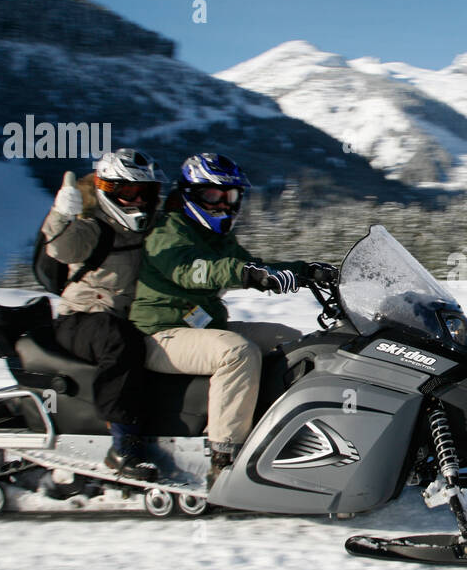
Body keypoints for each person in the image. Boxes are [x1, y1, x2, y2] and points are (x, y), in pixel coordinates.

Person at [128, 152, 337, 487]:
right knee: (238, 352)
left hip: (200, 326)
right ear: (190, 194)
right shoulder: (168, 231)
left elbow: (255, 266)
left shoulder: (214, 236)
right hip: (160, 334)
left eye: (230, 197)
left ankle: (280, 431)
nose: (223, 206)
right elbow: (194, 271)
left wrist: (306, 271)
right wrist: (244, 273)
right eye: (213, 196)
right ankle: (225, 458)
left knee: (294, 339)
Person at [40, 148, 166, 481]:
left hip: (121, 319)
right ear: (108, 190)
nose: (137, 200)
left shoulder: (148, 229)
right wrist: (62, 214)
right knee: (119, 340)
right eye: (127, 192)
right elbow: (62, 248)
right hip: (78, 319)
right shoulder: (93, 228)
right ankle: (123, 447)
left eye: (145, 192)